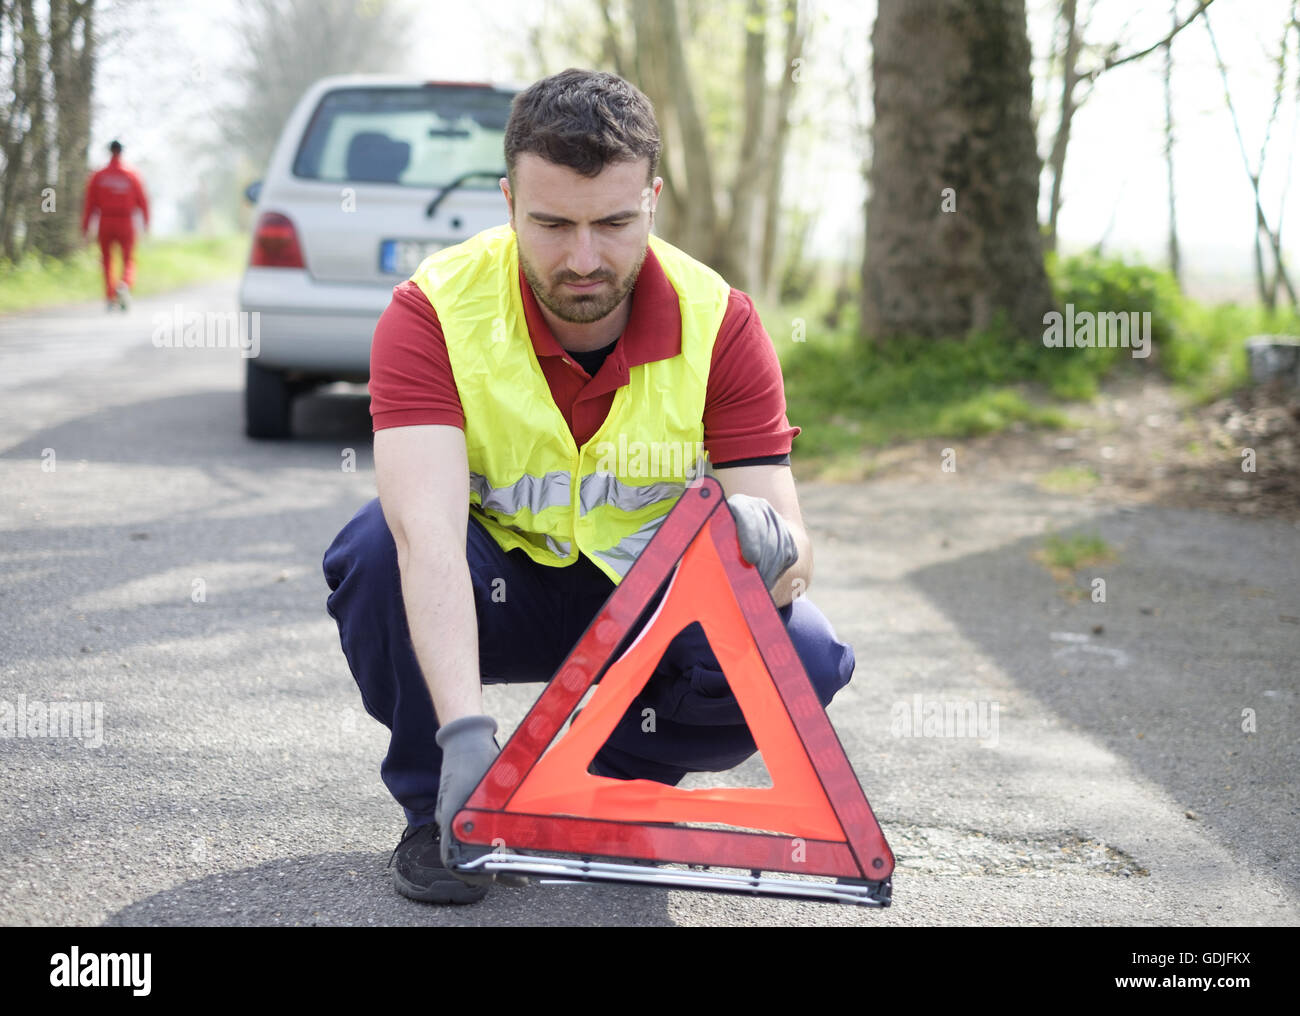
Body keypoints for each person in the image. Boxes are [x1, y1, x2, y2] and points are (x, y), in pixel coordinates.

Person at [322, 68, 857, 905]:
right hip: (493, 595)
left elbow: (792, 557)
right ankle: (439, 806)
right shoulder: (431, 313)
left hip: (648, 610)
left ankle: (597, 789)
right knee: (372, 551)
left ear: (653, 200)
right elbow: (423, 538)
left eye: (612, 223)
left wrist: (770, 540)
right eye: (551, 223)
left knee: (804, 650)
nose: (583, 259)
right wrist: (466, 736)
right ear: (507, 203)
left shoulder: (722, 319)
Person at [81, 140, 150, 311]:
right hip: (125, 221)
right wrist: (146, 223)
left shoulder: (98, 175)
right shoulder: (132, 175)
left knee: (106, 260)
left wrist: (85, 227)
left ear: (110, 152)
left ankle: (110, 296)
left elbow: (89, 204)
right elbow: (143, 201)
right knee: (128, 259)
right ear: (121, 152)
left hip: (105, 221)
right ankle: (124, 284)